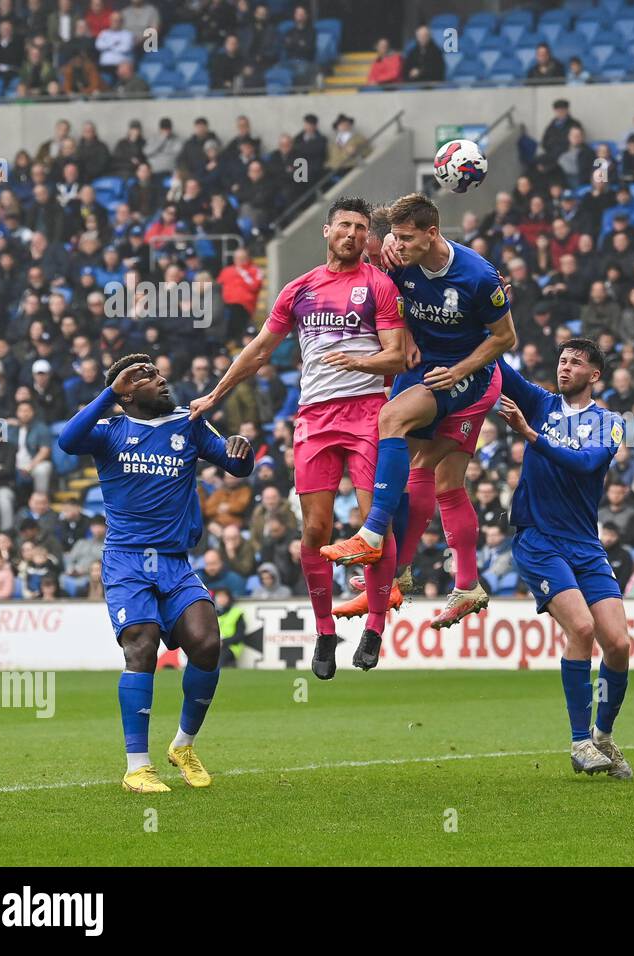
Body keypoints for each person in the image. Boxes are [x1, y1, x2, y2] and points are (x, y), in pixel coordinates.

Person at [190, 197, 409, 681]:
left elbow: (397, 357)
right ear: (326, 230)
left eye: (361, 228)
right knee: (314, 531)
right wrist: (215, 394)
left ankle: (374, 624)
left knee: (375, 523)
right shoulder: (300, 289)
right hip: (313, 419)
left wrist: (359, 363)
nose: (353, 234)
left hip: (369, 413)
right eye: (345, 225)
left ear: (368, 237)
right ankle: (325, 629)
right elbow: (260, 349)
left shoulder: (379, 286)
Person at [320, 193, 516, 636]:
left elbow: (506, 338)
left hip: (470, 374)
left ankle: (376, 544)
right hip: (424, 368)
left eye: (407, 237)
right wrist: (405, 332)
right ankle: (424, 581)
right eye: (394, 236)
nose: (398, 244)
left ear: (432, 234)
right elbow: (364, 263)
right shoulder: (398, 257)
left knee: (402, 435)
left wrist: (462, 370)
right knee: (420, 470)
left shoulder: (477, 276)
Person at [57, 355, 255, 793]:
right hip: (127, 560)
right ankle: (137, 766)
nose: (163, 381)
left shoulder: (189, 424)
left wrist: (243, 449)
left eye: (161, 374)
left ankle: (183, 745)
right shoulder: (109, 432)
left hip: (175, 562)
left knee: (206, 643)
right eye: (148, 379)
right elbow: (67, 441)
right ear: (127, 393)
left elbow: (236, 465)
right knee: (142, 647)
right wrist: (110, 391)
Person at [495, 338, 633, 778]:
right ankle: (578, 742)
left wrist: (530, 436)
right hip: (539, 538)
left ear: (594, 375)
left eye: (576, 362)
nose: (566, 367)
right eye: (562, 360)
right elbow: (497, 364)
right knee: (583, 627)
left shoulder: (609, 422)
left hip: (585, 544)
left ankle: (603, 737)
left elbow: (587, 464)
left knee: (618, 644)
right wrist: (490, 310)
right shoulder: (538, 402)